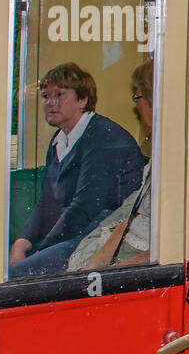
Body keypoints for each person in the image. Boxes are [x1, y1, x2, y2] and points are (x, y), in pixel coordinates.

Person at [8, 63, 142, 278]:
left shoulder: (105, 137)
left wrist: (40, 250)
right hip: (75, 234)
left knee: (16, 277)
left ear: (83, 100)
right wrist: (22, 242)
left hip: (102, 238)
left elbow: (85, 207)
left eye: (60, 94)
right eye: (45, 96)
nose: (51, 102)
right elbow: (46, 202)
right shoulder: (58, 140)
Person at [66, 59, 155, 271]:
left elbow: (173, 252)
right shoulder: (160, 152)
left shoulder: (108, 139)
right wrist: (94, 267)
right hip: (113, 244)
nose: (136, 105)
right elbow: (130, 216)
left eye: (138, 97)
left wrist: (110, 274)